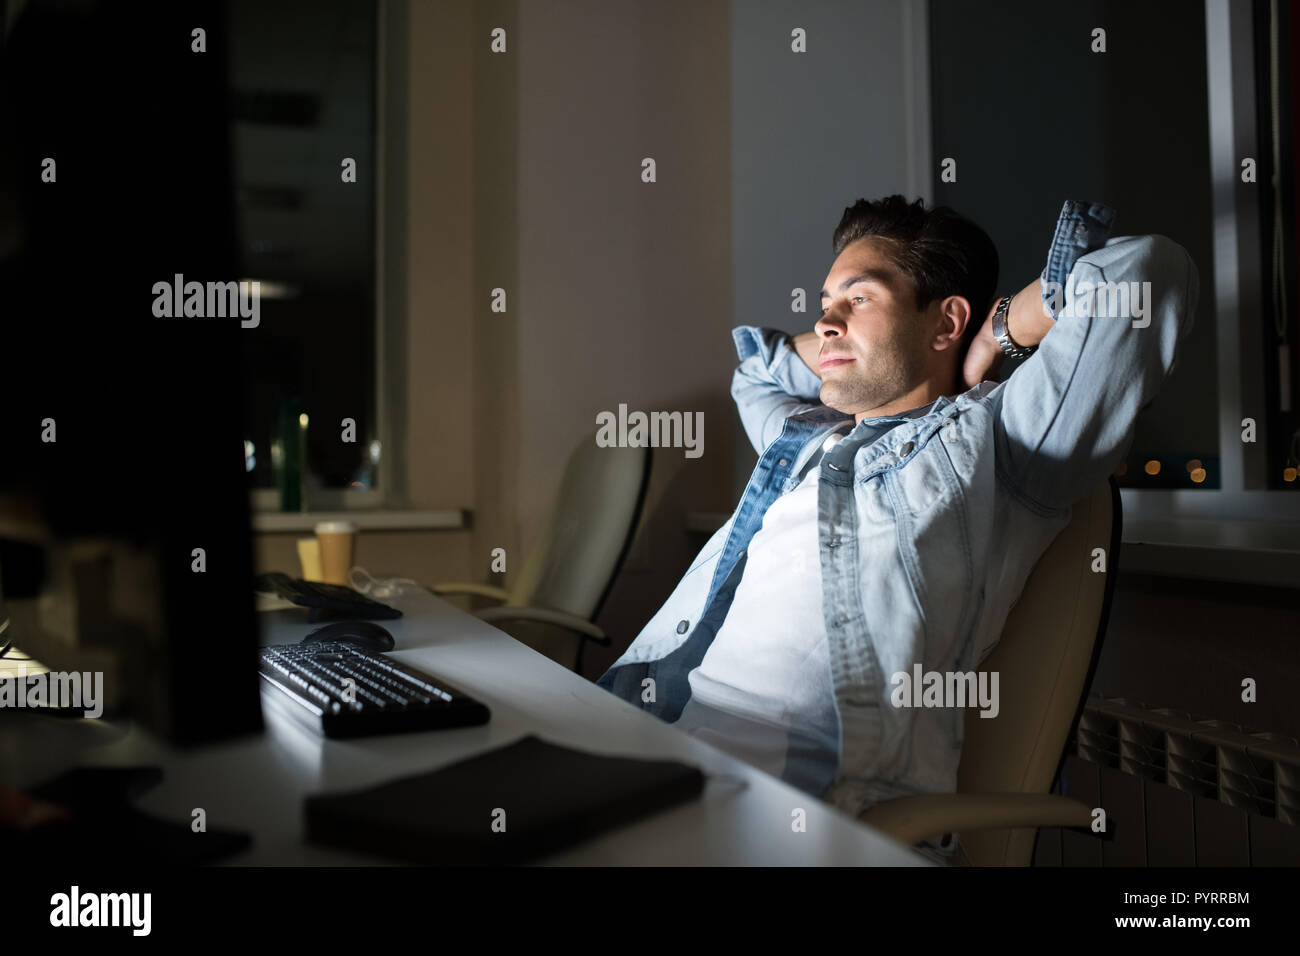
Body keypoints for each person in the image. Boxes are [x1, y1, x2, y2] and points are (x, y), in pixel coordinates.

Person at [595, 196, 1198, 858]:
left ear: (946, 322)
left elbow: (1148, 273)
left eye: (859, 299)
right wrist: (843, 334)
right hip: (647, 739)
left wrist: (998, 332)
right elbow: (756, 370)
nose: (824, 320)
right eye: (826, 301)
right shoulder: (805, 437)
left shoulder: (999, 446)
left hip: (785, 813)